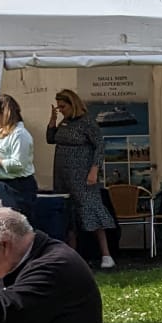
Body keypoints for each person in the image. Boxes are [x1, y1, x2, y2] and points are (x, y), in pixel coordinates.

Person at [44, 89, 116, 270]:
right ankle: (73, 255)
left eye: (63, 106)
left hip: (82, 174)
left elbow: (100, 146)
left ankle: (106, 254)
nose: (61, 110)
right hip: (63, 175)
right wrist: (53, 121)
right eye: (58, 107)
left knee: (91, 210)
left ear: (72, 104)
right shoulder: (65, 122)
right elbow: (50, 139)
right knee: (69, 214)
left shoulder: (87, 123)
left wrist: (94, 170)